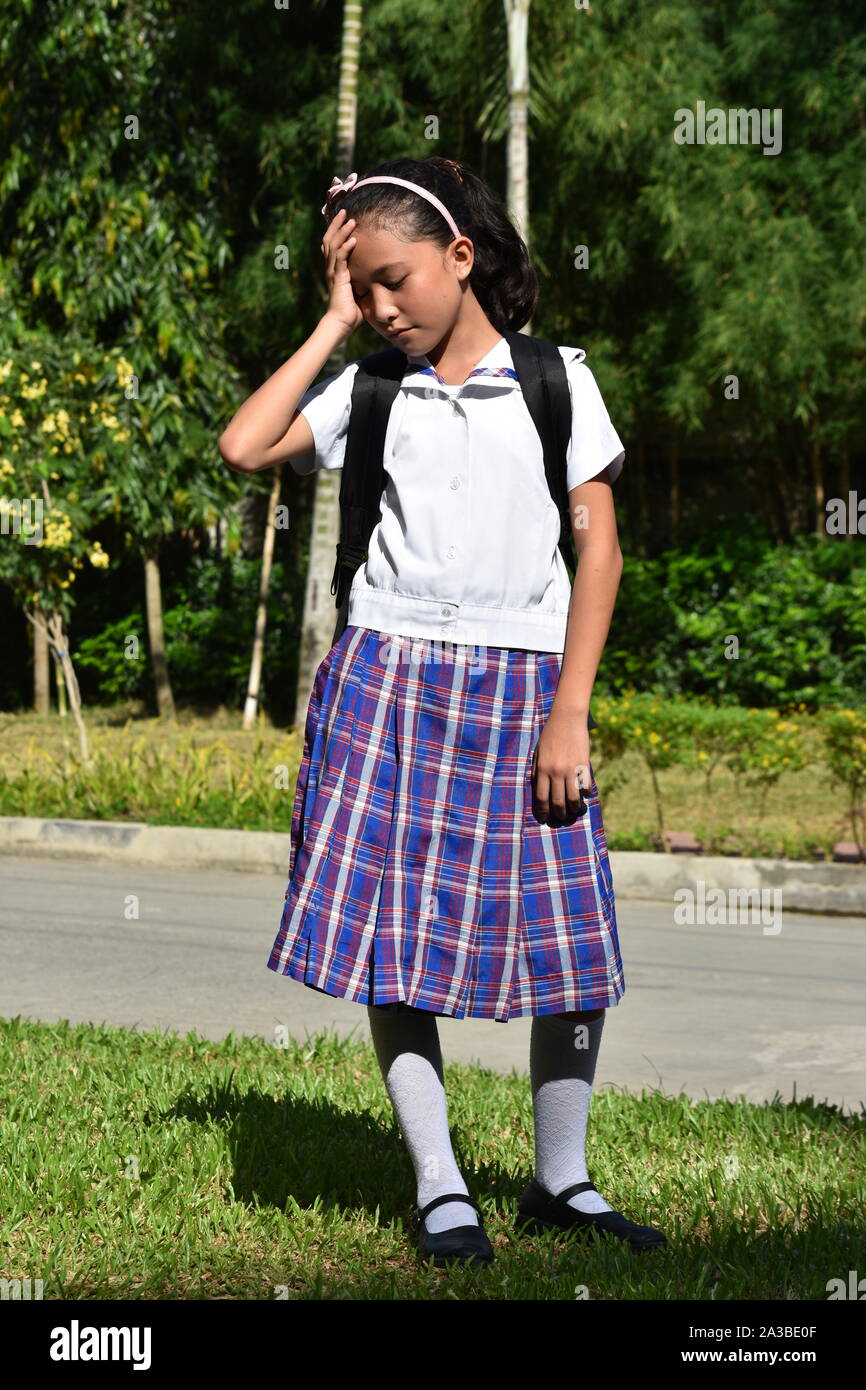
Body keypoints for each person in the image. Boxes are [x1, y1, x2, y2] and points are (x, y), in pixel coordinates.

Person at [219, 155, 666, 1266]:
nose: (380, 306)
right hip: (389, 681)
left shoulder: (555, 380)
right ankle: (439, 1184)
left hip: (526, 689)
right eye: (359, 287)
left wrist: (570, 711)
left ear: (459, 258)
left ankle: (561, 1178)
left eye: (392, 280)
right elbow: (241, 445)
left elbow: (596, 545)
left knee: (566, 939)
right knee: (392, 944)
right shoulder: (368, 388)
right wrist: (329, 322)